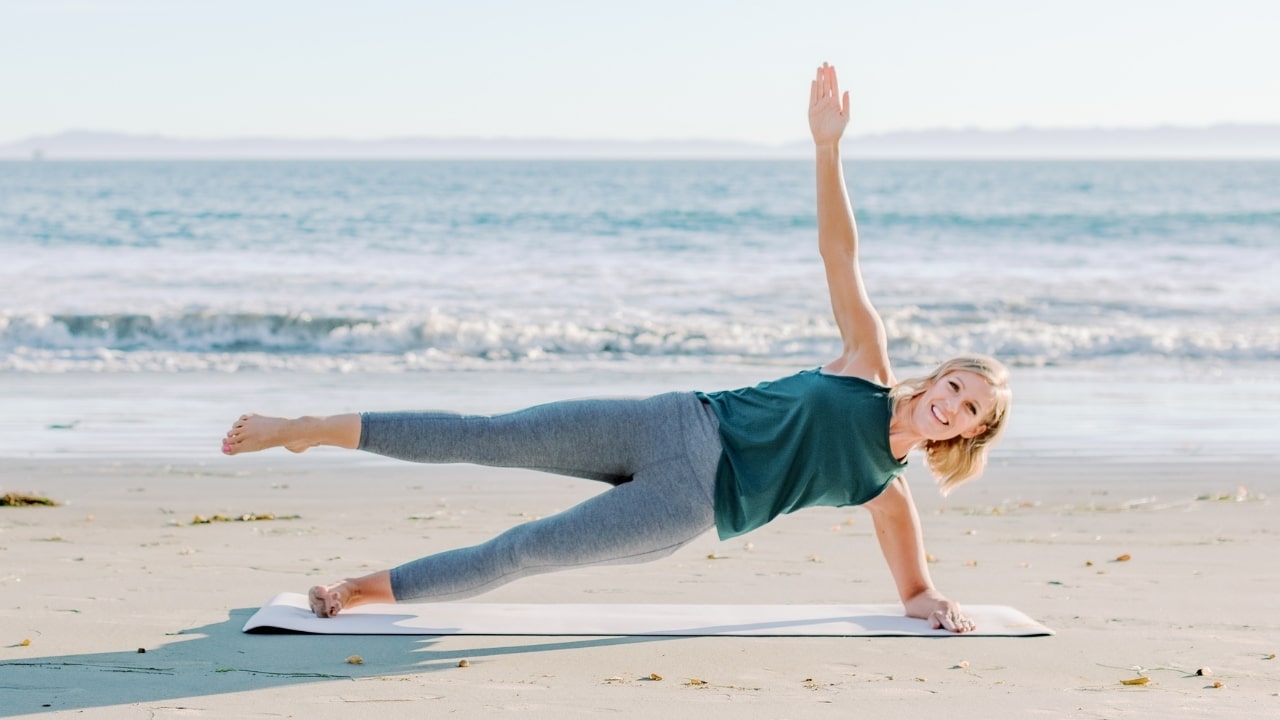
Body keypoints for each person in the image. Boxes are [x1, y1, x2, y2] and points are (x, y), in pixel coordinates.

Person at [221, 63, 1011, 634]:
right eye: (957, 385)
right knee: (483, 434)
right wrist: (826, 147)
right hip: (670, 421)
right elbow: (840, 253)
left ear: (967, 435)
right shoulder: (865, 362)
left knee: (522, 551)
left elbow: (914, 592)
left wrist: (935, 605)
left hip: (684, 505)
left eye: (969, 410)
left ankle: (359, 590)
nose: (952, 404)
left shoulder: (885, 490)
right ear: (940, 375)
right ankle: (308, 428)